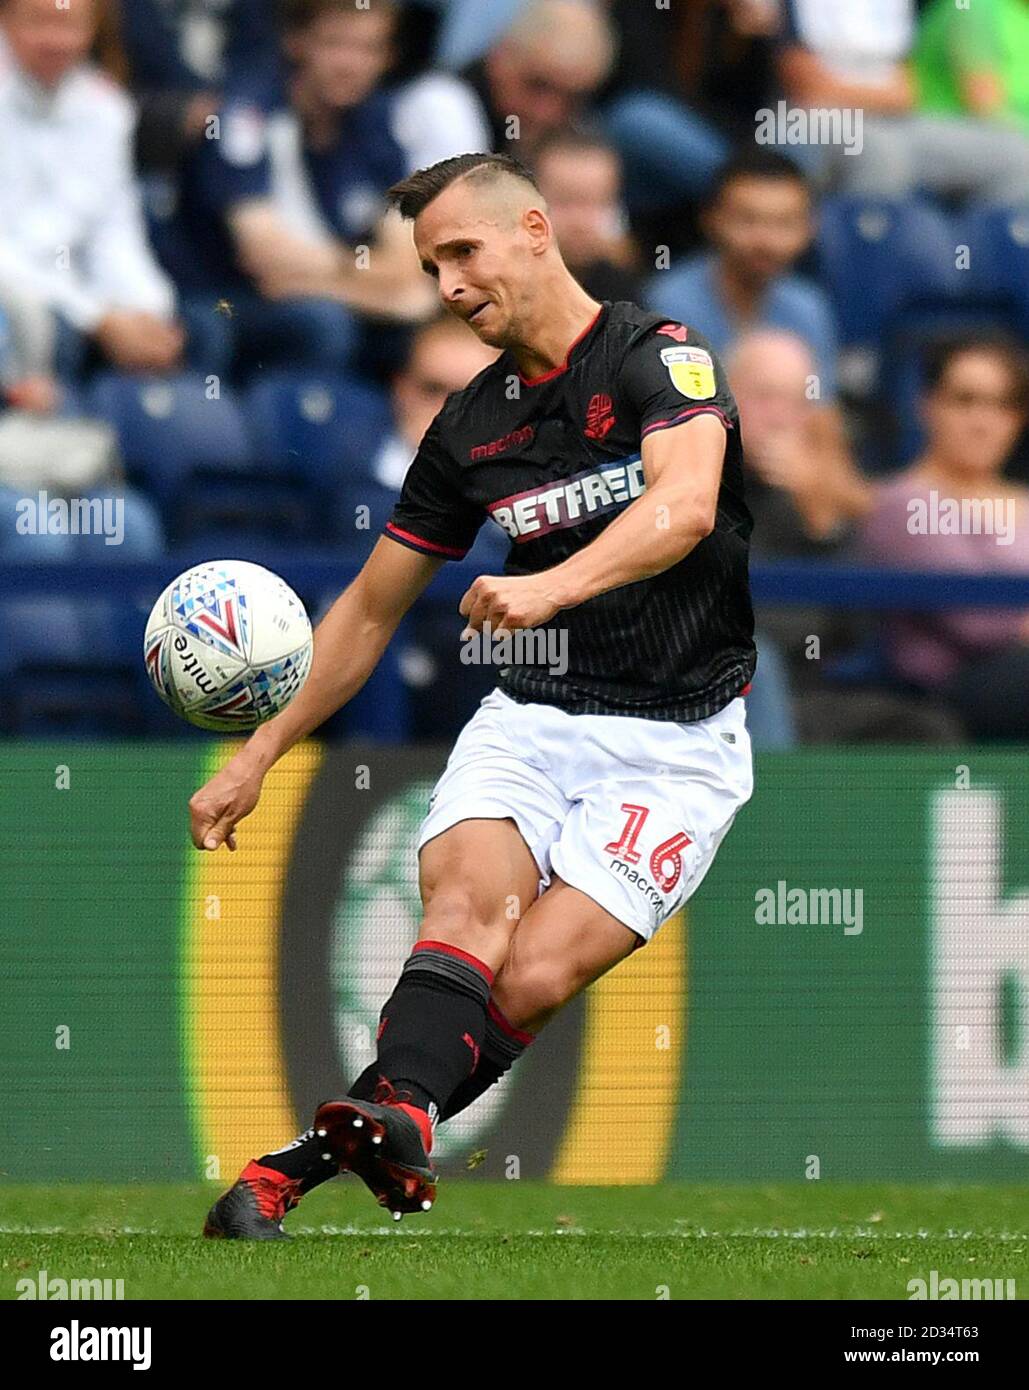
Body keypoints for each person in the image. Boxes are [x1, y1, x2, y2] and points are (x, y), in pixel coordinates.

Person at [193, 151, 756, 1237]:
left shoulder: (661, 358)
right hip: (535, 720)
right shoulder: (468, 427)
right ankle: (385, 1121)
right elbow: (365, 612)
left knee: (533, 977)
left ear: (537, 230)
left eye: (463, 251)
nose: (447, 284)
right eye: (430, 264)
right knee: (464, 907)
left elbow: (684, 508)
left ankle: (290, 1170)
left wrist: (555, 583)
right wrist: (257, 752)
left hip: (680, 747)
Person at [166, 0, 486, 374]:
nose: (350, 63)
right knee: (325, 324)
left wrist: (334, 278)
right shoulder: (248, 112)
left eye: (368, 49)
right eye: (336, 44)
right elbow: (267, 259)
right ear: (297, 43)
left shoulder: (375, 123)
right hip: (221, 297)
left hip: (320, 295)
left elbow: (412, 260)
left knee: (446, 322)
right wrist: (376, 286)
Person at [646, 151, 854, 490]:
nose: (766, 240)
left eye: (785, 223)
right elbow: (670, 433)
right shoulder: (670, 302)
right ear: (711, 218)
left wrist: (815, 478)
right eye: (748, 220)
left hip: (783, 482)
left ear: (810, 227)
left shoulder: (809, 308)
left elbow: (824, 429)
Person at [0, 0, 186, 376]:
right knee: (42, 328)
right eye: (39, 22)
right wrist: (96, 317)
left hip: (77, 299)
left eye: (69, 25)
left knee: (193, 329)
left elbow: (116, 232)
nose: (55, 40)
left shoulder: (108, 110)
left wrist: (148, 311)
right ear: (5, 19)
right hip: (20, 300)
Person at [860, 334, 1029, 740]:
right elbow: (976, 619)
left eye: (1002, 405)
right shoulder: (902, 502)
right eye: (965, 400)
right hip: (947, 694)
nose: (982, 422)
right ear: (928, 406)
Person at [532, 130, 643, 305]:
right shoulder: (509, 283)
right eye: (564, 202)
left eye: (596, 203)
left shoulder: (623, 291)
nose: (579, 222)